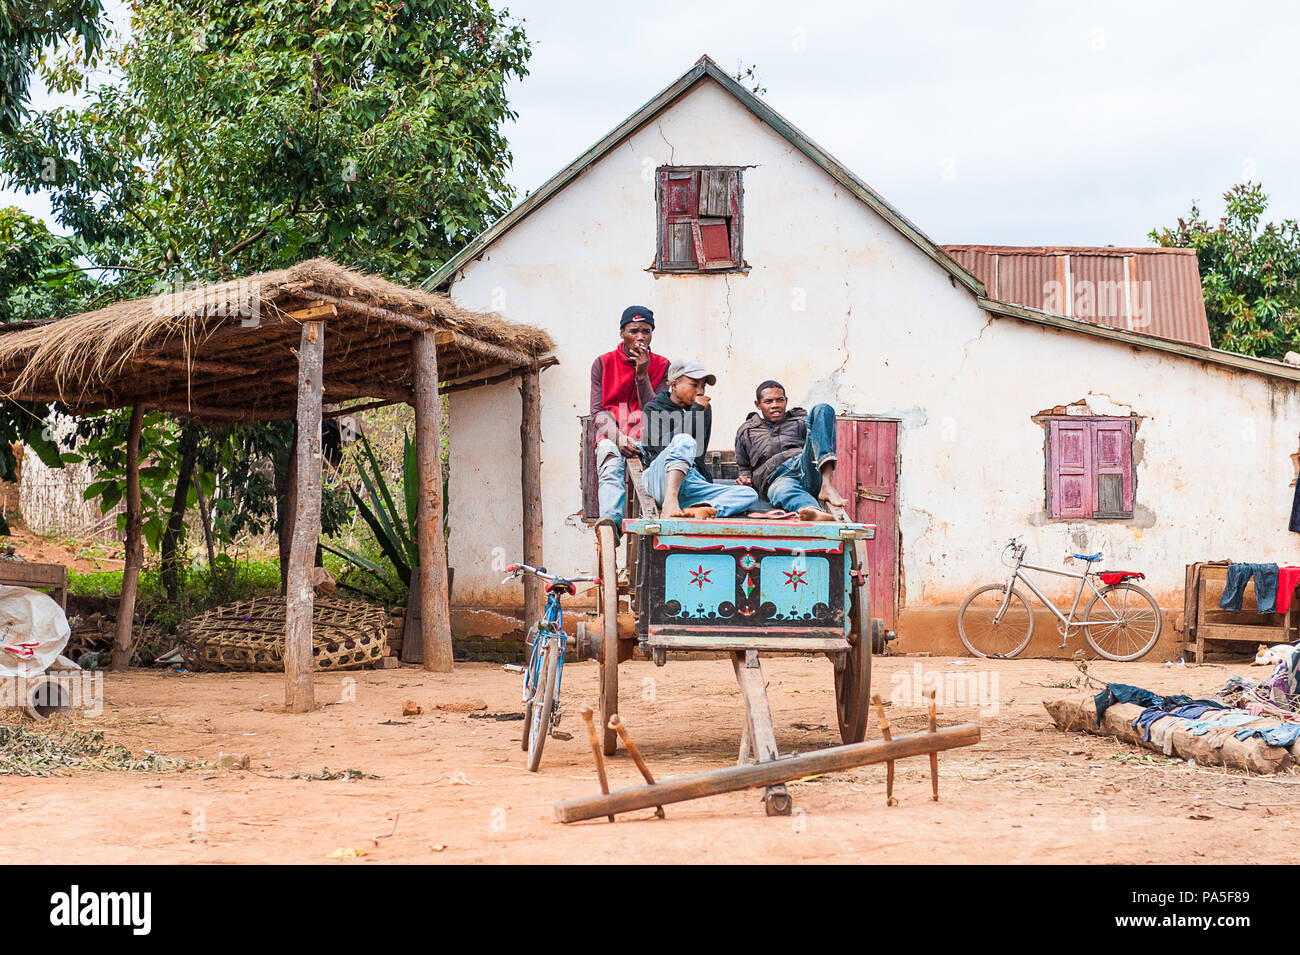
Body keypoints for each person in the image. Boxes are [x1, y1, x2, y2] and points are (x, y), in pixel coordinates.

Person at [640, 358, 758, 519]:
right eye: (695, 384)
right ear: (674, 385)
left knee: (748, 494)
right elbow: (662, 448)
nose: (701, 391)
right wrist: (695, 412)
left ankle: (704, 509)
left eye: (703, 386)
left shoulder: (703, 409)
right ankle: (670, 501)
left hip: (691, 480)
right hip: (661, 478)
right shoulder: (654, 408)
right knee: (684, 441)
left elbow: (698, 454)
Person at [591, 306, 669, 527]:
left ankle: (653, 527)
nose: (640, 337)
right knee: (609, 461)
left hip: (648, 434)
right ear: (622, 332)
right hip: (613, 433)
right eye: (633, 330)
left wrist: (642, 374)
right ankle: (611, 524)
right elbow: (597, 411)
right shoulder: (602, 363)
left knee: (652, 477)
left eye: (646, 331)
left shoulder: (663, 366)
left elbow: (656, 412)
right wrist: (618, 437)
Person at [735, 380, 846, 521]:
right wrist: (744, 478)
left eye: (779, 400)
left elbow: (817, 440)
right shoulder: (747, 431)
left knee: (822, 409)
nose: (775, 405)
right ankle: (811, 510)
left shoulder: (799, 420)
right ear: (758, 404)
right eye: (768, 401)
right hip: (777, 478)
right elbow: (744, 466)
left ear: (786, 401)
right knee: (783, 491)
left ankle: (827, 485)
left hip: (805, 466)